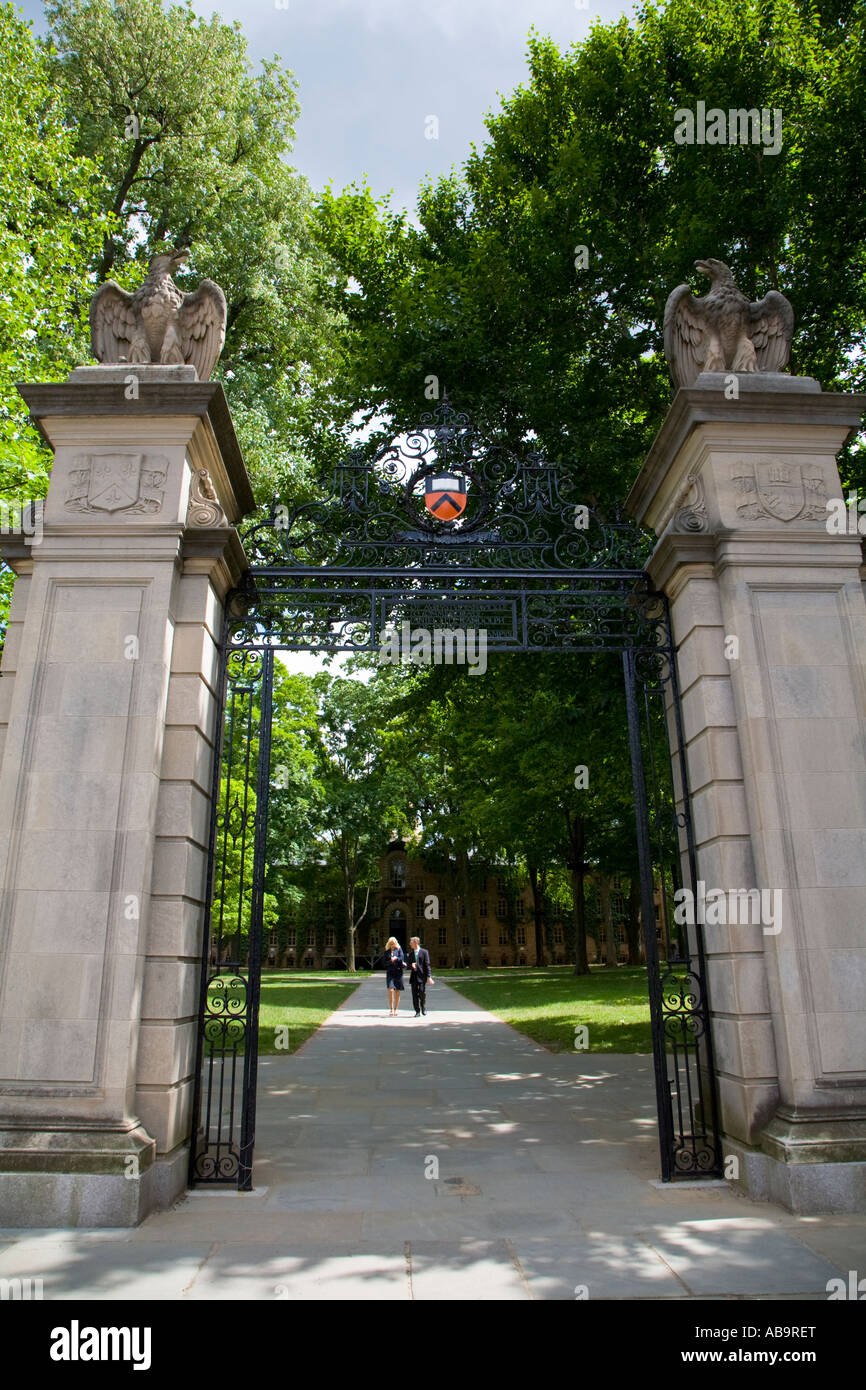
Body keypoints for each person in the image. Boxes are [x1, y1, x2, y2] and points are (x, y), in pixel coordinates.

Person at [407, 936, 434, 1016]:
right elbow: (408, 966)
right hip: (414, 977)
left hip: (422, 977)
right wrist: (411, 965)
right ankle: (417, 1011)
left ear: (416, 943)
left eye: (411, 942)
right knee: (414, 995)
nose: (410, 944)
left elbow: (427, 965)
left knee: (422, 993)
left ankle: (423, 1007)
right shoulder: (411, 954)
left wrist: (429, 976)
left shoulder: (424, 952)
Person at [384, 936, 406, 1015]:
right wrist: (391, 961)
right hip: (390, 973)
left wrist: (396, 958)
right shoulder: (387, 952)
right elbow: (384, 963)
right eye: (391, 943)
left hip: (398, 972)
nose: (393, 945)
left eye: (394, 943)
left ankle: (396, 1009)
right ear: (389, 944)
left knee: (397, 991)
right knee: (390, 989)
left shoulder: (399, 950)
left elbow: (402, 959)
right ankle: (391, 1009)